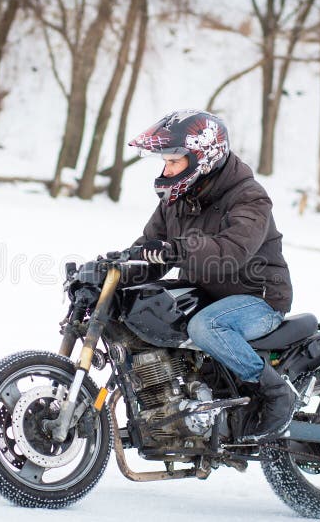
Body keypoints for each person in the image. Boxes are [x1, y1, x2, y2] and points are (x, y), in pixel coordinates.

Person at [128, 109, 295, 442]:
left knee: (206, 326)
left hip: (258, 298)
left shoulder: (248, 196)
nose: (167, 170)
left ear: (203, 158)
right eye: (166, 162)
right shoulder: (176, 200)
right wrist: (118, 269)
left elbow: (231, 250)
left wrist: (177, 249)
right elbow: (151, 248)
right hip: (208, 293)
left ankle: (276, 393)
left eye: (174, 162)